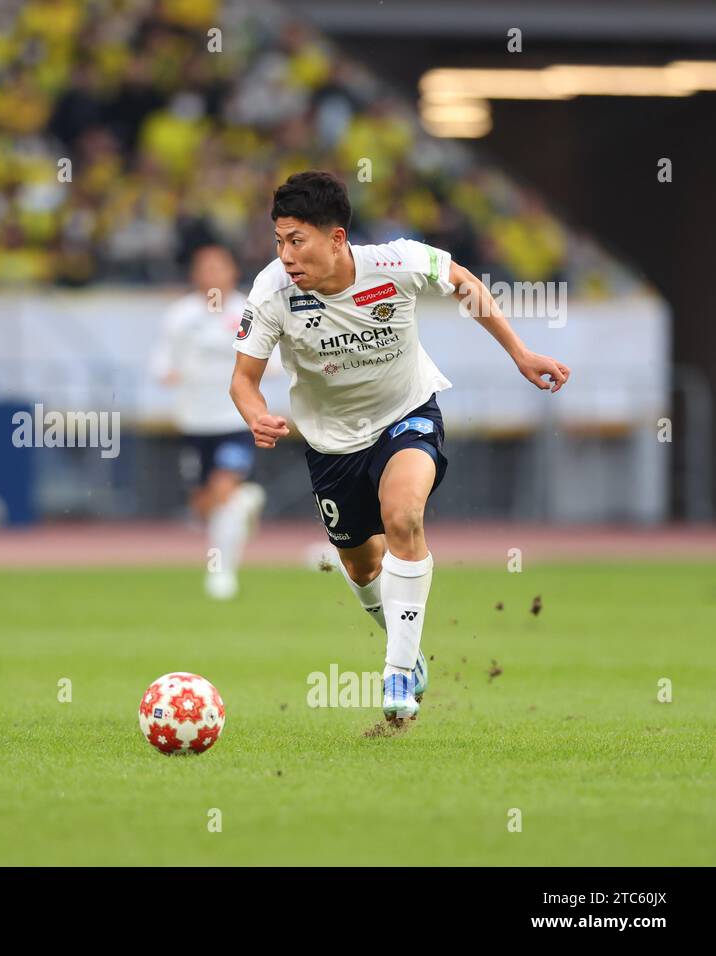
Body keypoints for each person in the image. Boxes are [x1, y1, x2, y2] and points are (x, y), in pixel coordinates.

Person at [229, 171, 570, 722]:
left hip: (405, 415)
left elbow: (466, 285)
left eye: (297, 241)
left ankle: (395, 677)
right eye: (279, 242)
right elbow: (242, 381)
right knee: (362, 566)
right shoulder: (273, 291)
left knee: (404, 516)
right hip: (330, 443)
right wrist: (256, 416)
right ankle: (403, 643)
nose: (286, 255)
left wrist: (521, 354)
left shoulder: (400, 262)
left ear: (336, 238)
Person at [151, 244, 271, 600]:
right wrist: (167, 373)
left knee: (222, 490)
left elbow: (273, 360)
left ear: (233, 272)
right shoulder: (179, 316)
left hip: (234, 420)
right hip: (193, 422)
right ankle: (247, 500)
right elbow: (160, 362)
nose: (212, 275)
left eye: (219, 267)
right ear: (194, 275)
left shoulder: (249, 311)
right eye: (205, 268)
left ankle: (222, 574)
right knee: (204, 506)